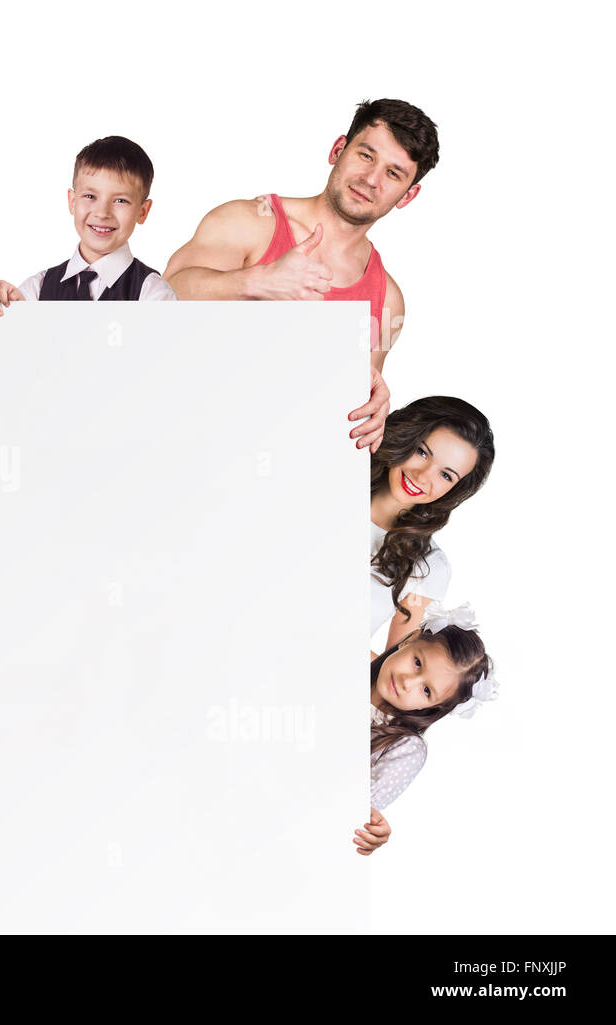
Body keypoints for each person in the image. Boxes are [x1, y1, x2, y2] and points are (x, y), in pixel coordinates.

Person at [161, 98, 440, 453]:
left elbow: (349, 410)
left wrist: (376, 407)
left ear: (408, 195)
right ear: (338, 149)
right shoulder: (250, 221)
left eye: (393, 173)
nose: (371, 179)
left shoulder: (388, 299)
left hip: (275, 466)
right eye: (366, 155)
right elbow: (158, 300)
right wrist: (254, 282)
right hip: (182, 442)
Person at [0, 135, 177, 315]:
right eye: (90, 196)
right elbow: (15, 346)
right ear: (72, 202)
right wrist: (4, 308)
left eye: (120, 201)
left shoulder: (153, 294)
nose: (102, 213)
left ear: (143, 211)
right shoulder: (37, 289)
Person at [370, 396, 495, 654]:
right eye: (422, 452)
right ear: (406, 436)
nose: (422, 476)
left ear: (455, 490)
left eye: (446, 475)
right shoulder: (331, 478)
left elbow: (387, 671)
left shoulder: (428, 567)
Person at [367, 602, 497, 825]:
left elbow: (358, 810)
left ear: (434, 707)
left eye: (426, 690)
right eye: (417, 663)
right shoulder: (345, 667)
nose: (407, 681)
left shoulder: (406, 748)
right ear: (409, 640)